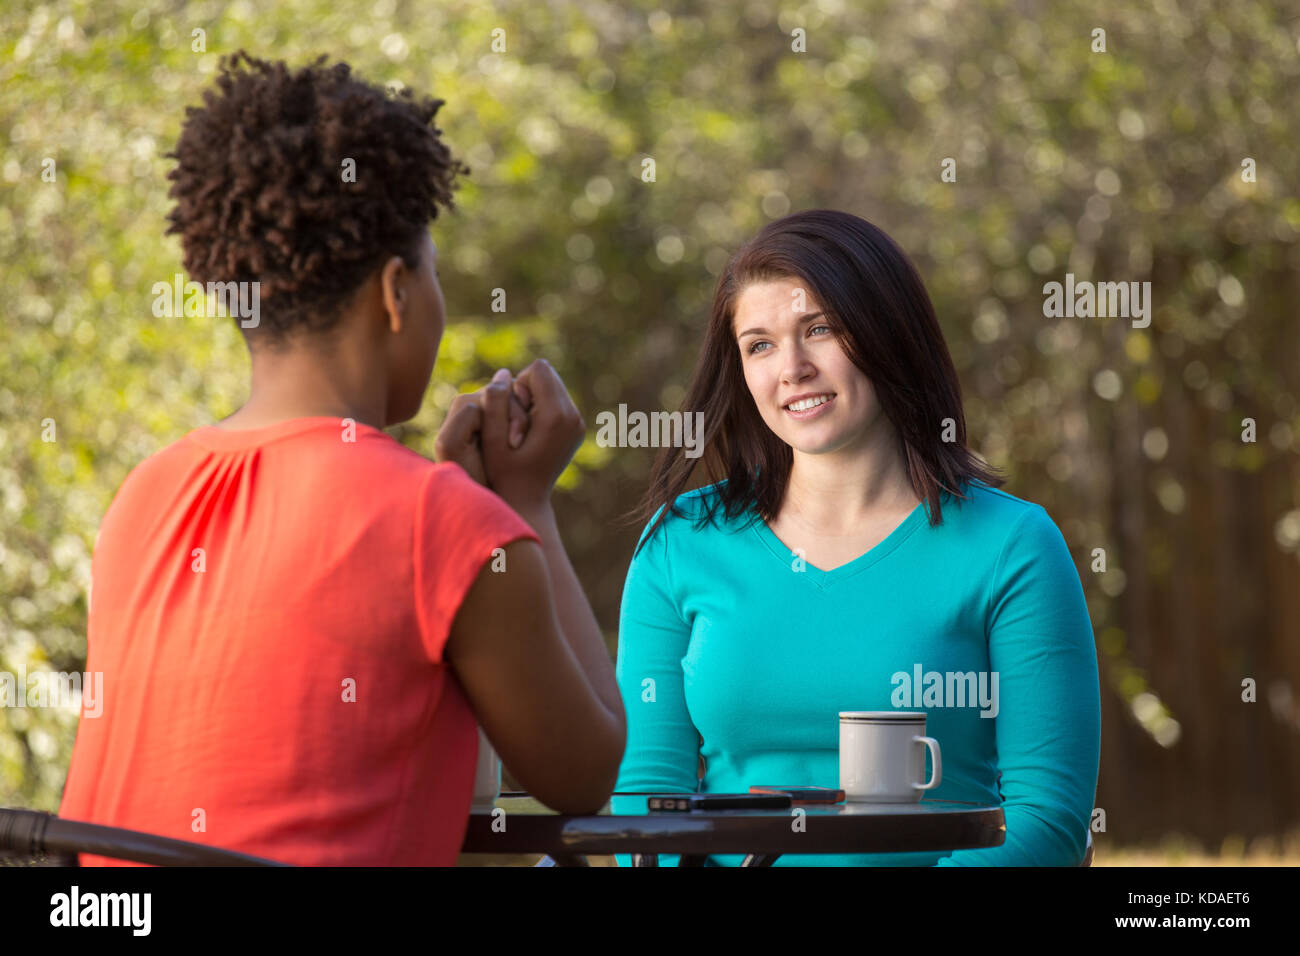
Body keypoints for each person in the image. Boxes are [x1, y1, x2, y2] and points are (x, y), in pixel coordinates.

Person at [58, 51, 625, 866]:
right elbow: (588, 772)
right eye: (433, 273)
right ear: (396, 291)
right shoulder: (446, 523)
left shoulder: (144, 495)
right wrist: (524, 502)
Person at [612, 209, 1101, 866]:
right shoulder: (679, 543)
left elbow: (1048, 823)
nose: (792, 368)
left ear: (887, 334)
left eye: (819, 330)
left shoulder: (1013, 545)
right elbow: (646, 802)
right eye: (759, 344)